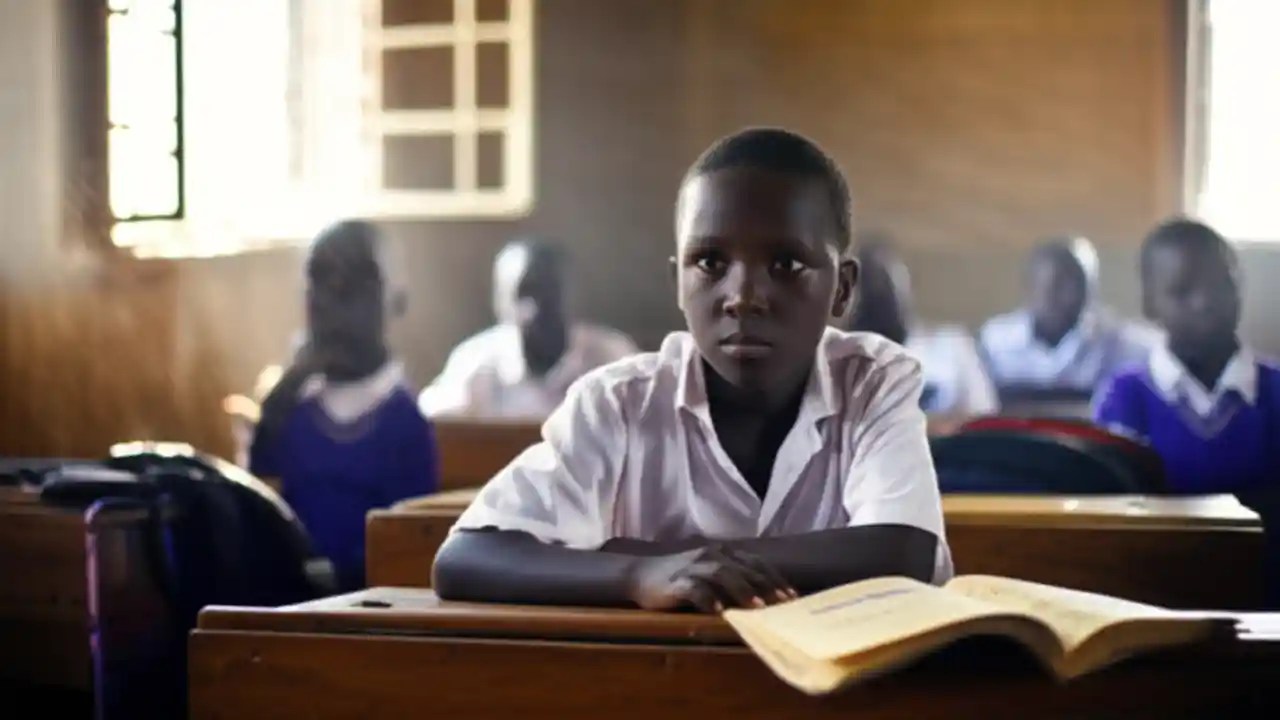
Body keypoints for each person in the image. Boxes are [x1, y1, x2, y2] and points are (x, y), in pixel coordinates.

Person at [433, 128, 951, 613]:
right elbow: (463, 559)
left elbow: (901, 551)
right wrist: (638, 573)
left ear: (842, 288)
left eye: (786, 265)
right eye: (709, 263)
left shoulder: (871, 380)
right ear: (678, 282)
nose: (744, 297)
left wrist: (667, 555)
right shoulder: (619, 402)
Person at [250, 220, 438, 591]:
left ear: (395, 300)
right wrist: (284, 392)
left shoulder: (404, 422)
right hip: (284, 605)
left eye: (354, 284)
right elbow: (258, 509)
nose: (332, 302)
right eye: (318, 281)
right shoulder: (287, 407)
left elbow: (407, 547)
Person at [1093, 218, 1279, 496]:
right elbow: (1115, 498)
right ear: (1149, 304)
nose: (1204, 302)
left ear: (1240, 287)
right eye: (1182, 291)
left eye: (1220, 284)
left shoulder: (1274, 389)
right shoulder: (1126, 394)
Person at [418, 238, 638, 420]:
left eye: (549, 294)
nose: (534, 310)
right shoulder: (476, 363)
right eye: (522, 294)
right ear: (499, 302)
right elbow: (433, 427)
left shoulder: (612, 359)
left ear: (572, 296)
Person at [979, 236, 1155, 394]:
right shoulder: (995, 344)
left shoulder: (1126, 344)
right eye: (1056, 286)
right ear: (1030, 288)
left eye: (1080, 285)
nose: (1071, 296)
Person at [849, 238, 997, 420]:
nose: (880, 294)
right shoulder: (830, 359)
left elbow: (983, 415)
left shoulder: (952, 345)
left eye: (887, 282)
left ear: (907, 285)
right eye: (870, 283)